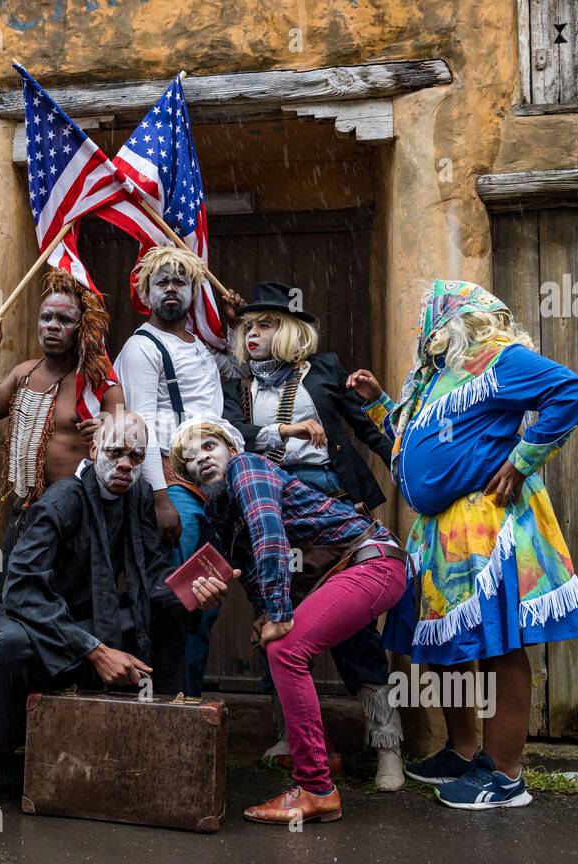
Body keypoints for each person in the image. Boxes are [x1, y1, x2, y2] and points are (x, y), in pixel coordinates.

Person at [351, 279, 578, 811]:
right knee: (447, 646)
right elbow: (417, 439)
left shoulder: (499, 360)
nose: (425, 329)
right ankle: (463, 753)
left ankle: (505, 776)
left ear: (461, 320)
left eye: (431, 318)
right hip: (441, 530)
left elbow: (572, 392)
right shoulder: (436, 378)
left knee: (500, 645)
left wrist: (524, 458)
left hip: (487, 523)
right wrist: (379, 406)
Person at [0, 411, 219, 813]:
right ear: (94, 448)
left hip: (88, 614)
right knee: (11, 643)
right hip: (27, 610)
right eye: (115, 452)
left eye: (136, 457)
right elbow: (22, 588)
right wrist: (94, 649)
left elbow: (155, 579)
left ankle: (158, 734)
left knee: (167, 609)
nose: (125, 465)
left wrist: (194, 591)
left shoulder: (136, 497)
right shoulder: (62, 500)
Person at [176, 416, 407, 825]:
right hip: (343, 572)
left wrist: (280, 617)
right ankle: (321, 769)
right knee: (279, 645)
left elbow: (269, 536)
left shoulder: (247, 467)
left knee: (284, 646)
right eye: (190, 460)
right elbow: (248, 567)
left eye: (209, 447)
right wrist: (265, 612)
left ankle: (317, 788)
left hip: (372, 562)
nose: (202, 460)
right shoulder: (221, 507)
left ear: (232, 447)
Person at [222, 281, 405, 791]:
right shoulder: (236, 382)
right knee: (275, 617)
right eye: (248, 326)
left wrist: (405, 451)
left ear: (291, 330)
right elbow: (231, 437)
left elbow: (370, 431)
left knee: (352, 631)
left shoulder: (324, 370)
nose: (253, 334)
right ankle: (292, 740)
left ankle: (388, 745)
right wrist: (287, 432)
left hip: (330, 506)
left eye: (266, 324)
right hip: (267, 509)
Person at [113, 245, 241, 695]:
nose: (171, 289)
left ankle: (191, 697)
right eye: (161, 282)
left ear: (193, 291)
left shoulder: (204, 348)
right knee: (177, 597)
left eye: (180, 281)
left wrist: (239, 325)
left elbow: (248, 370)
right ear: (146, 293)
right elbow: (141, 426)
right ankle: (166, 699)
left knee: (206, 601)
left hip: (215, 491)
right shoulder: (141, 348)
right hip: (174, 488)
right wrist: (161, 495)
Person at [0, 269, 123, 637]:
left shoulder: (99, 385)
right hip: (25, 515)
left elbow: (125, 448)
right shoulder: (25, 372)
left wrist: (106, 430)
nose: (52, 325)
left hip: (75, 522)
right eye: (46, 317)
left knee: (65, 607)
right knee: (12, 602)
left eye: (65, 319)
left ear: (81, 327)